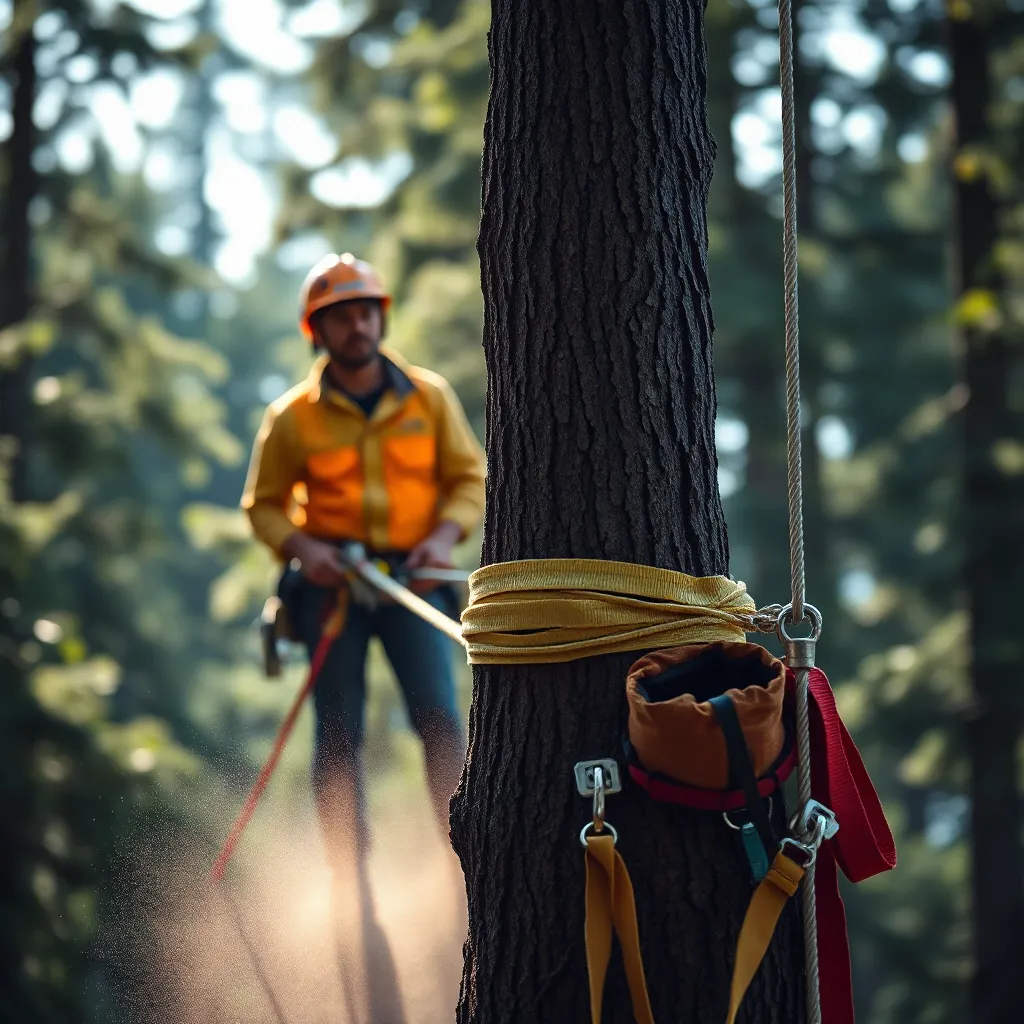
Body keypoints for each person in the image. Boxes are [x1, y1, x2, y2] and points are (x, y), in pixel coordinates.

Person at [241, 252, 485, 1019]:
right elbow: (265, 506)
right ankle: (350, 873)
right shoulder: (293, 418)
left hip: (413, 581)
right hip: (335, 592)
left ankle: (464, 855)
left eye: (367, 310)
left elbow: (468, 478)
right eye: (343, 314)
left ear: (381, 316)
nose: (359, 323)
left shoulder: (429, 399)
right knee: (338, 735)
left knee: (440, 719)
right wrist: (304, 551)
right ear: (320, 330)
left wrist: (444, 538)